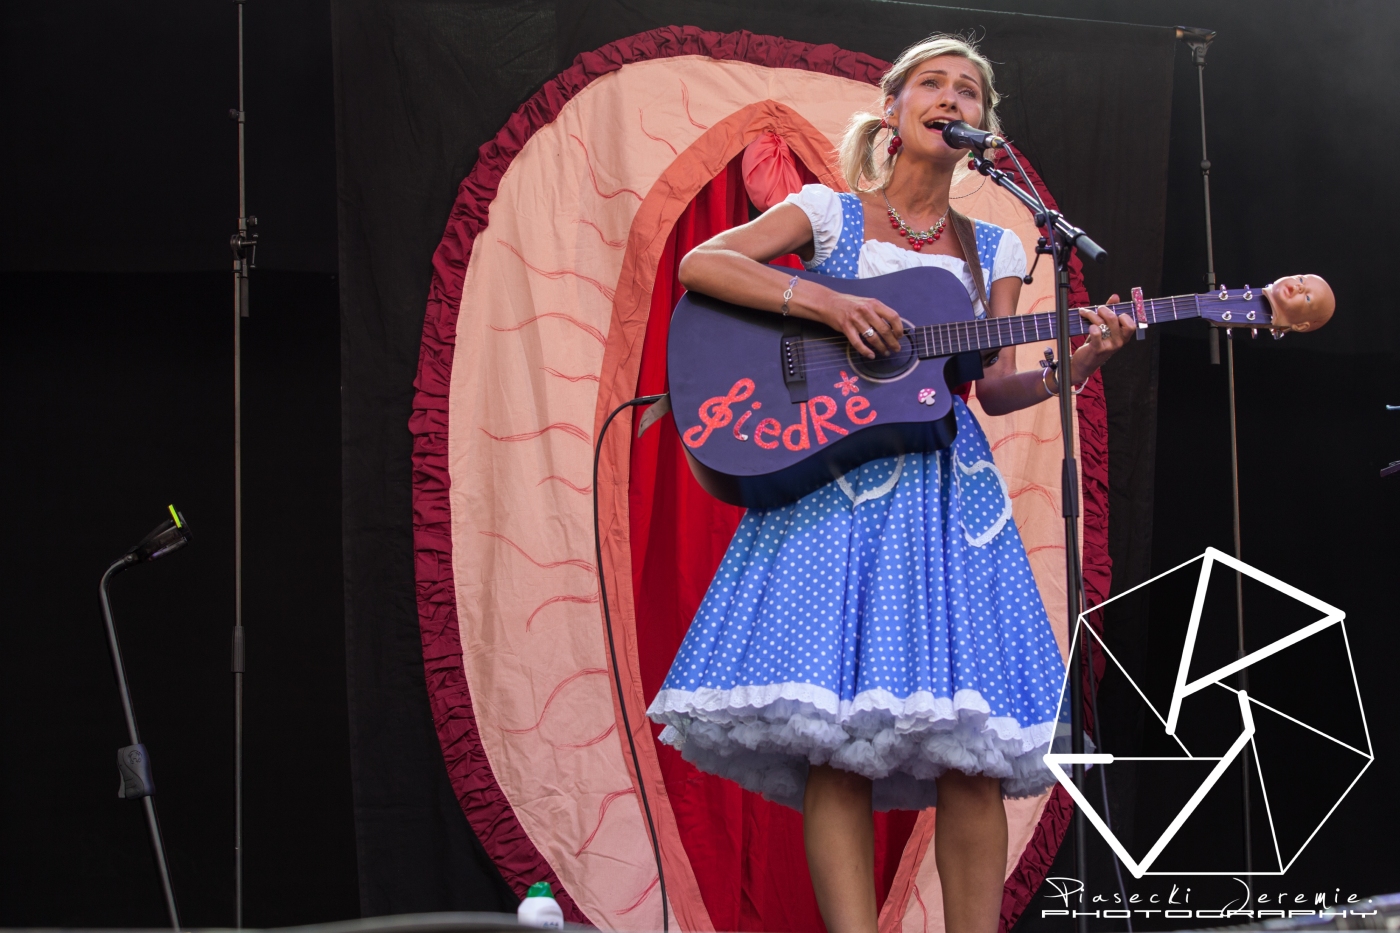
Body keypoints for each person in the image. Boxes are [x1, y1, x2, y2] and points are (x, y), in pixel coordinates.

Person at [646, 34, 1136, 933]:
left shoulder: (997, 246)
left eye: (970, 92)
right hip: (831, 491)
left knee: (971, 753)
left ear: (985, 126)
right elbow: (703, 263)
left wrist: (1083, 362)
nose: (952, 100)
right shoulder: (828, 213)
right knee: (837, 744)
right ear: (894, 110)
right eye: (934, 85)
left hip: (947, 499)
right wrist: (827, 302)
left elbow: (994, 385)